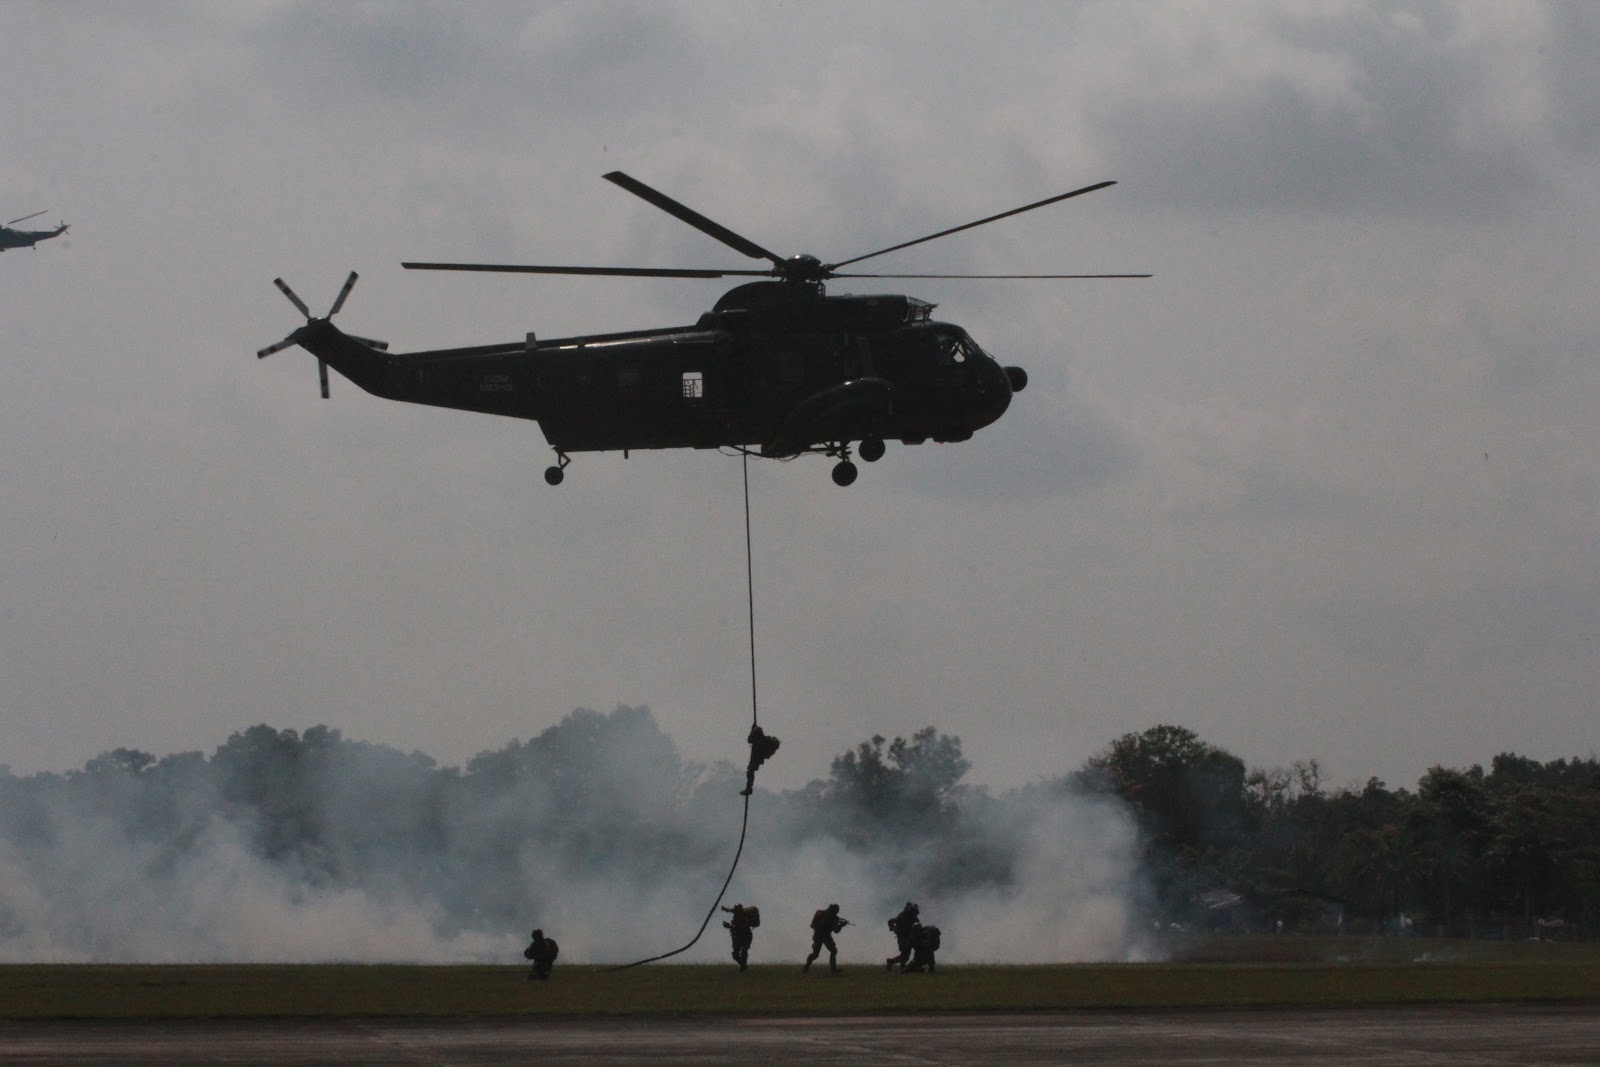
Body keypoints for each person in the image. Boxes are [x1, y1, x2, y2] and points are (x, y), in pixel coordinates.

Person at [804, 903, 849, 974]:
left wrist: (840, 924)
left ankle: (806, 968)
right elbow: (836, 930)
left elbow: (813, 925)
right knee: (832, 951)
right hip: (824, 936)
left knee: (816, 954)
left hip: (819, 935)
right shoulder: (834, 918)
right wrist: (841, 925)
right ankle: (833, 970)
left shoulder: (822, 914)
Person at [741, 724, 781, 796]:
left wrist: (752, 731)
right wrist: (753, 729)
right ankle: (748, 789)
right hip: (758, 756)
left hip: (758, 757)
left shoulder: (760, 742)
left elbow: (749, 740)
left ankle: (749, 789)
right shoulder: (762, 740)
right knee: (750, 771)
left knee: (750, 771)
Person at [721, 902, 759, 970]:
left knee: (744, 951)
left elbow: (751, 924)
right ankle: (743, 965)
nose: (737, 913)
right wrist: (729, 926)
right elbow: (735, 928)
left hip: (746, 935)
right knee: (735, 955)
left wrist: (747, 922)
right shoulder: (736, 916)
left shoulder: (745, 916)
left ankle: (743, 967)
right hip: (737, 936)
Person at [886, 901, 920, 972]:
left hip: (908, 937)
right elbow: (891, 921)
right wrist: (893, 928)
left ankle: (891, 961)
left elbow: (917, 924)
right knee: (905, 953)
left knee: (906, 955)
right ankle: (902, 967)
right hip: (902, 936)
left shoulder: (913, 917)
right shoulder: (903, 915)